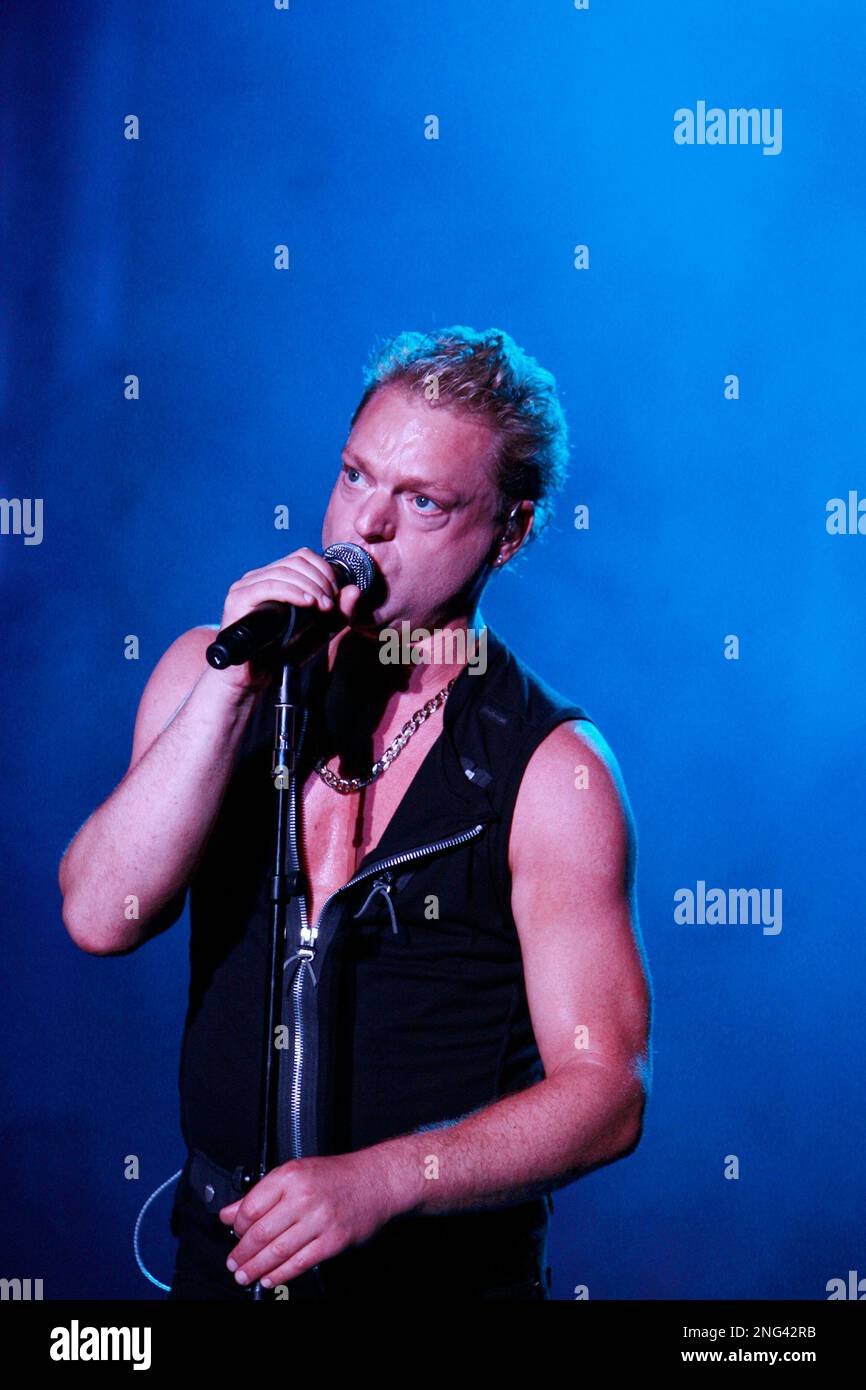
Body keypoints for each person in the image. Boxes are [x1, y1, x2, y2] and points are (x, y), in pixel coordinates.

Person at [59, 326, 652, 1300]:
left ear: (508, 531)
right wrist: (230, 688)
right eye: (353, 476)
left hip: (435, 1285)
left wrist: (386, 1179)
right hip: (223, 1267)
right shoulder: (209, 678)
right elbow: (98, 915)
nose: (363, 526)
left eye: (421, 502)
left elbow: (605, 1095)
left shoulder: (549, 771)